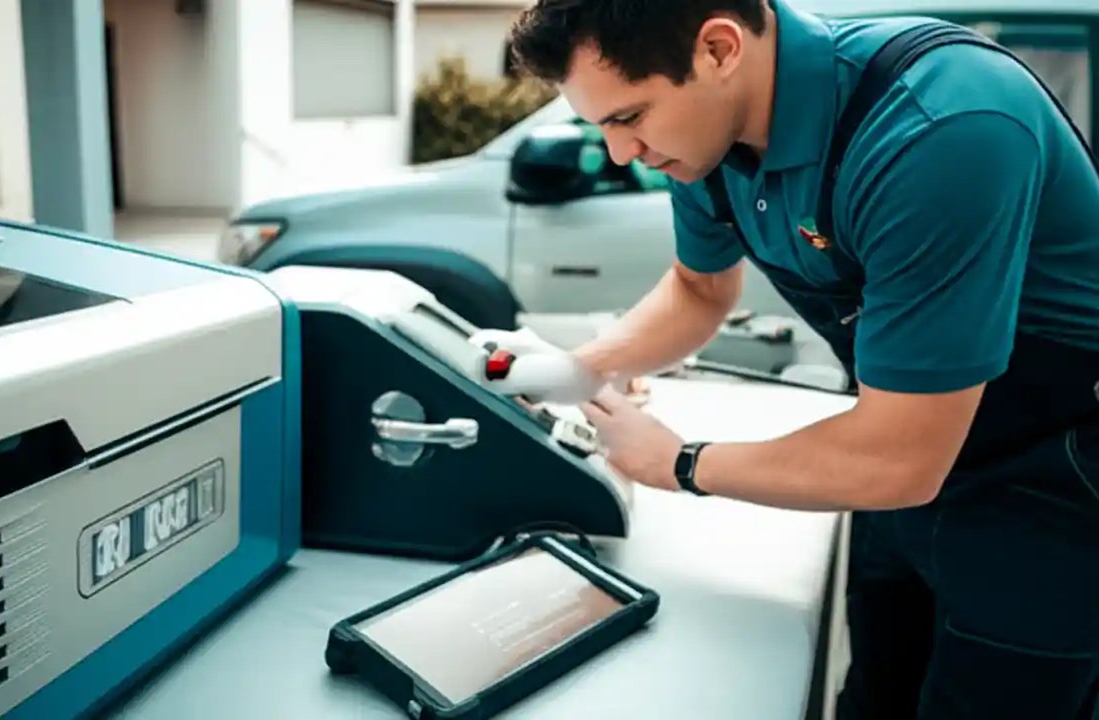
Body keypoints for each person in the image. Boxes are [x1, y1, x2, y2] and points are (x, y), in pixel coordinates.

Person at [470, 1, 1099, 718]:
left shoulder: (939, 127)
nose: (620, 153)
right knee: (872, 698)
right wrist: (582, 369)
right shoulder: (706, 134)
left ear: (718, 48)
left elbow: (900, 459)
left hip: (1051, 485)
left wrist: (677, 462)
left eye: (630, 117)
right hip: (897, 464)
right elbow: (699, 289)